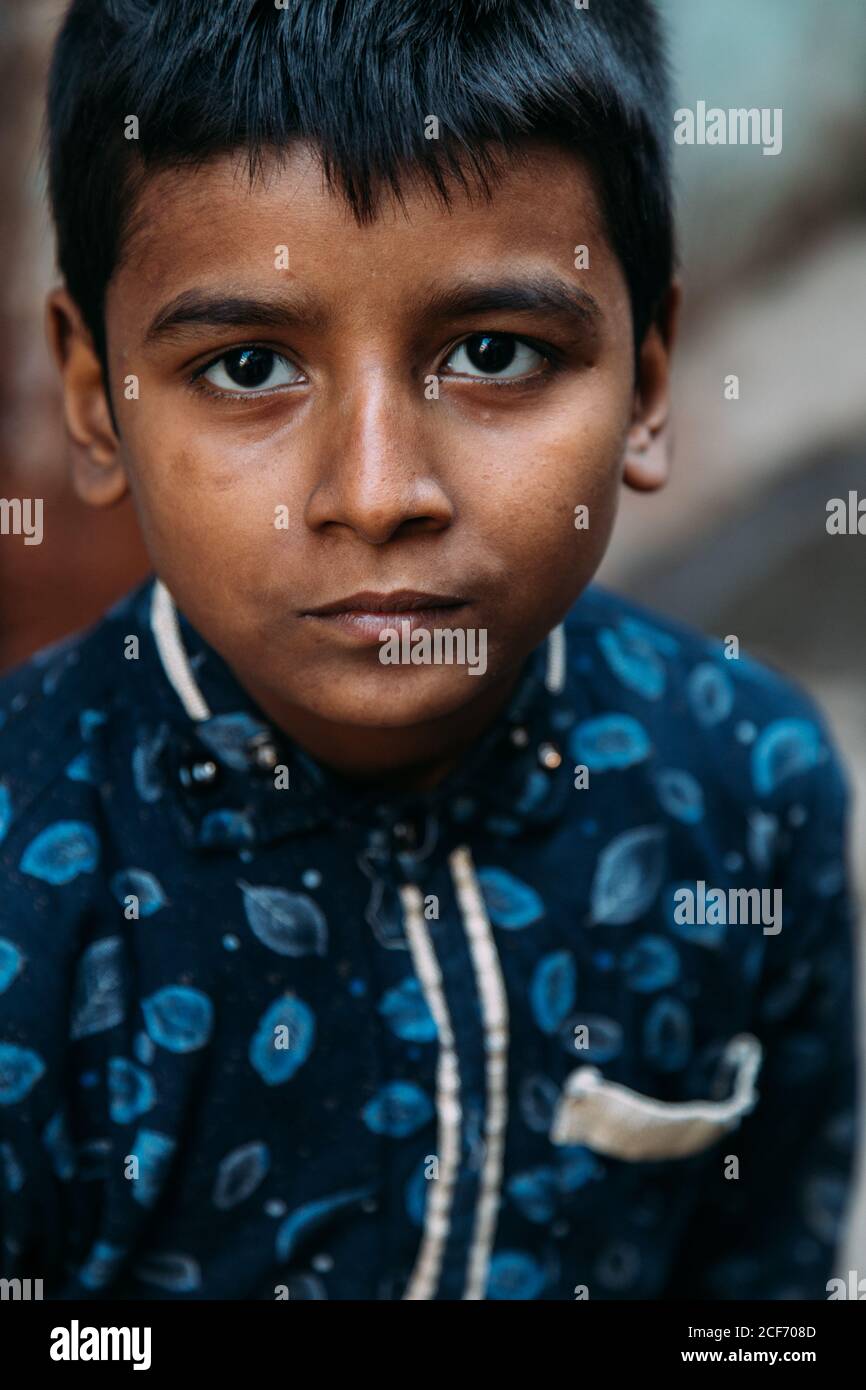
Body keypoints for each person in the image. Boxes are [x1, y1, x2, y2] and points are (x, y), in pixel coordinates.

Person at [0, 0, 859, 1300]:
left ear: (644, 378)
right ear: (95, 399)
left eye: (494, 353)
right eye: (245, 368)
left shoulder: (745, 791)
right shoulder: (25, 873)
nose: (379, 488)